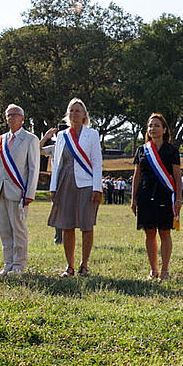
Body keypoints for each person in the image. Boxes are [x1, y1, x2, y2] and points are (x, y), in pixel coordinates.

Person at [46, 98, 103, 276]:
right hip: (65, 182)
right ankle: (69, 266)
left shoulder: (92, 134)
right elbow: (57, 164)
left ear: (84, 114)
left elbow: (97, 162)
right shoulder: (62, 136)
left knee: (86, 225)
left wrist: (97, 188)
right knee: (67, 225)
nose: (74, 113)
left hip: (86, 184)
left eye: (78, 110)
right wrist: (53, 188)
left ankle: (84, 265)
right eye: (71, 110)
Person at [0, 104, 40, 275]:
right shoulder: (1, 139)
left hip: (19, 192)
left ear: (22, 118)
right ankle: (8, 263)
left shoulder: (30, 139)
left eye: (15, 115)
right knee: (5, 230)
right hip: (0, 191)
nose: (11, 118)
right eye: (8, 115)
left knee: (19, 229)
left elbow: (33, 168)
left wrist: (30, 193)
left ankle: (19, 264)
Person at [130, 113, 183, 281]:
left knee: (165, 232)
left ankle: (165, 270)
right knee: (149, 233)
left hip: (165, 195)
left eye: (157, 125)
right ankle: (153, 270)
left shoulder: (172, 150)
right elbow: (136, 176)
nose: (153, 129)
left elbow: (177, 176)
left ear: (164, 129)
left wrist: (179, 199)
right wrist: (133, 199)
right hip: (145, 196)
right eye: (150, 126)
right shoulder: (142, 150)